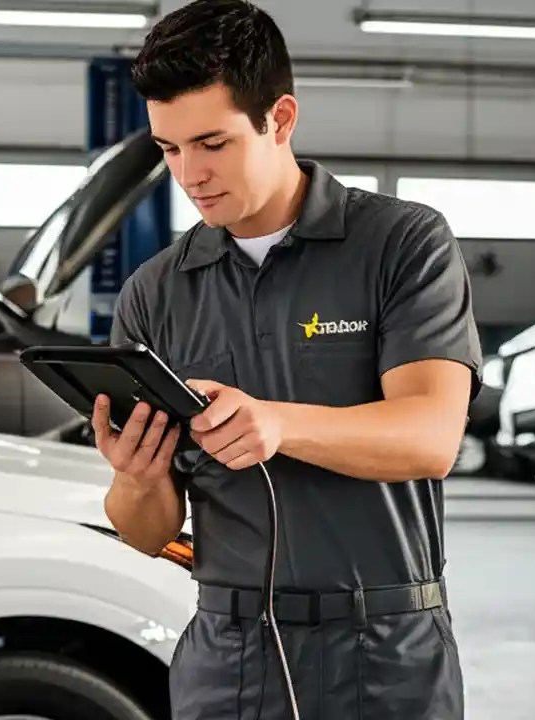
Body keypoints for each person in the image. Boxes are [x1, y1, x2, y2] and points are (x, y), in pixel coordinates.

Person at [95, 1, 481, 718]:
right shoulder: (155, 292)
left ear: (280, 118)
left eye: (212, 143)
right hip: (228, 653)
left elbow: (430, 437)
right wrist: (135, 478)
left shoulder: (402, 245)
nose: (190, 174)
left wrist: (277, 424)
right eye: (169, 149)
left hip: (387, 648)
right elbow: (146, 532)